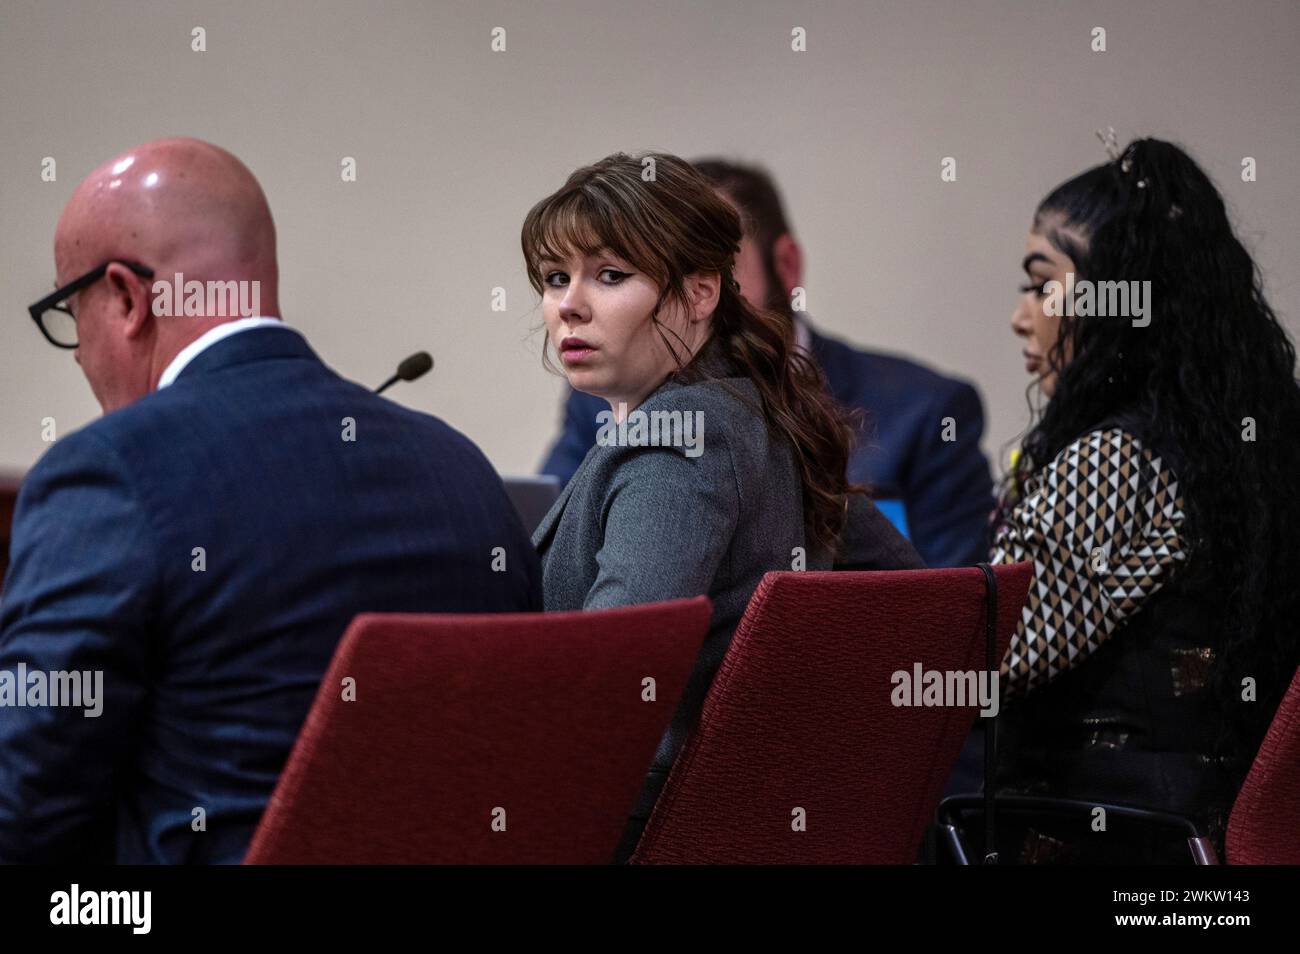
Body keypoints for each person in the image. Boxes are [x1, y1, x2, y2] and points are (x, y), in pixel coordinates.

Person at [0, 138, 541, 864]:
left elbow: (23, 806)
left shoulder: (109, 472)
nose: (76, 352)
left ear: (127, 298)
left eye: (72, 312)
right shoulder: (460, 470)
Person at [521, 152, 922, 858]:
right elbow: (921, 602)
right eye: (556, 278)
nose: (568, 305)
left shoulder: (682, 440)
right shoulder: (760, 411)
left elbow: (611, 683)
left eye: (610, 276)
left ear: (701, 292)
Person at [989, 136, 1300, 862]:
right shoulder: (1247, 448)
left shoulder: (1118, 462)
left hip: (1112, 845)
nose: (1020, 315)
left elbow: (985, 654)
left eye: (1042, 284)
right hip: (1205, 843)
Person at [540, 158, 993, 569]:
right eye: (557, 278)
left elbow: (947, 610)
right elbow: (558, 546)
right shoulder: (604, 401)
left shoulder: (928, 409)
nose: (703, 291)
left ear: (787, 265)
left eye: (718, 266)